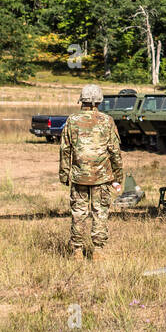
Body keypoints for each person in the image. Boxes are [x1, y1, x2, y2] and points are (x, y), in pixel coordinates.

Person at [58, 83, 123, 261]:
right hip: (101, 177)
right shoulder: (107, 121)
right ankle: (98, 250)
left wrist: (64, 174)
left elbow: (65, 149)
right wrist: (118, 176)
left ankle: (77, 250)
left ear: (82, 100)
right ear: (99, 101)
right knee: (100, 212)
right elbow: (115, 151)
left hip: (79, 177)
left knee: (78, 213)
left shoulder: (72, 120)